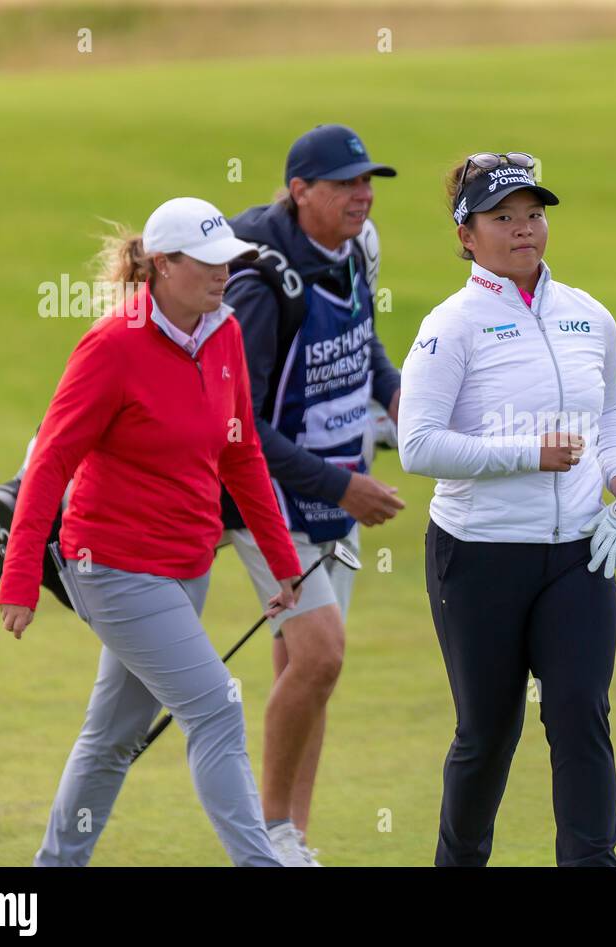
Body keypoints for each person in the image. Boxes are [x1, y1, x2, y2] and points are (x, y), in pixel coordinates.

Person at [0, 197, 305, 867]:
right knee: (217, 709)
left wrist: (281, 559)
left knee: (110, 740)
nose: (227, 275)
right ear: (163, 266)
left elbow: (242, 451)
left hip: (187, 563)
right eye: (210, 263)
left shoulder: (222, 332)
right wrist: (19, 577)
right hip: (110, 565)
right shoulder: (113, 345)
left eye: (231, 261)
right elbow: (51, 460)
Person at [398, 152, 616, 866]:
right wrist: (526, 453)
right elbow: (417, 446)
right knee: (488, 732)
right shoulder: (452, 327)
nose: (524, 229)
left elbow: (611, 411)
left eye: (533, 215)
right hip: (479, 556)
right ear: (466, 234)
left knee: (580, 714)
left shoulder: (588, 316)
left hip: (578, 552)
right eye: (502, 218)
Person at [218, 124, 405, 865]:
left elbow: (365, 340)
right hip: (272, 501)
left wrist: (397, 393)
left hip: (332, 491)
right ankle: (268, 837)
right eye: (345, 184)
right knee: (322, 657)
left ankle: (294, 835)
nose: (362, 194)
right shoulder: (261, 291)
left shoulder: (355, 249)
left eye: (368, 182)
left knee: (304, 669)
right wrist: (341, 486)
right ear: (301, 193)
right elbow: (239, 427)